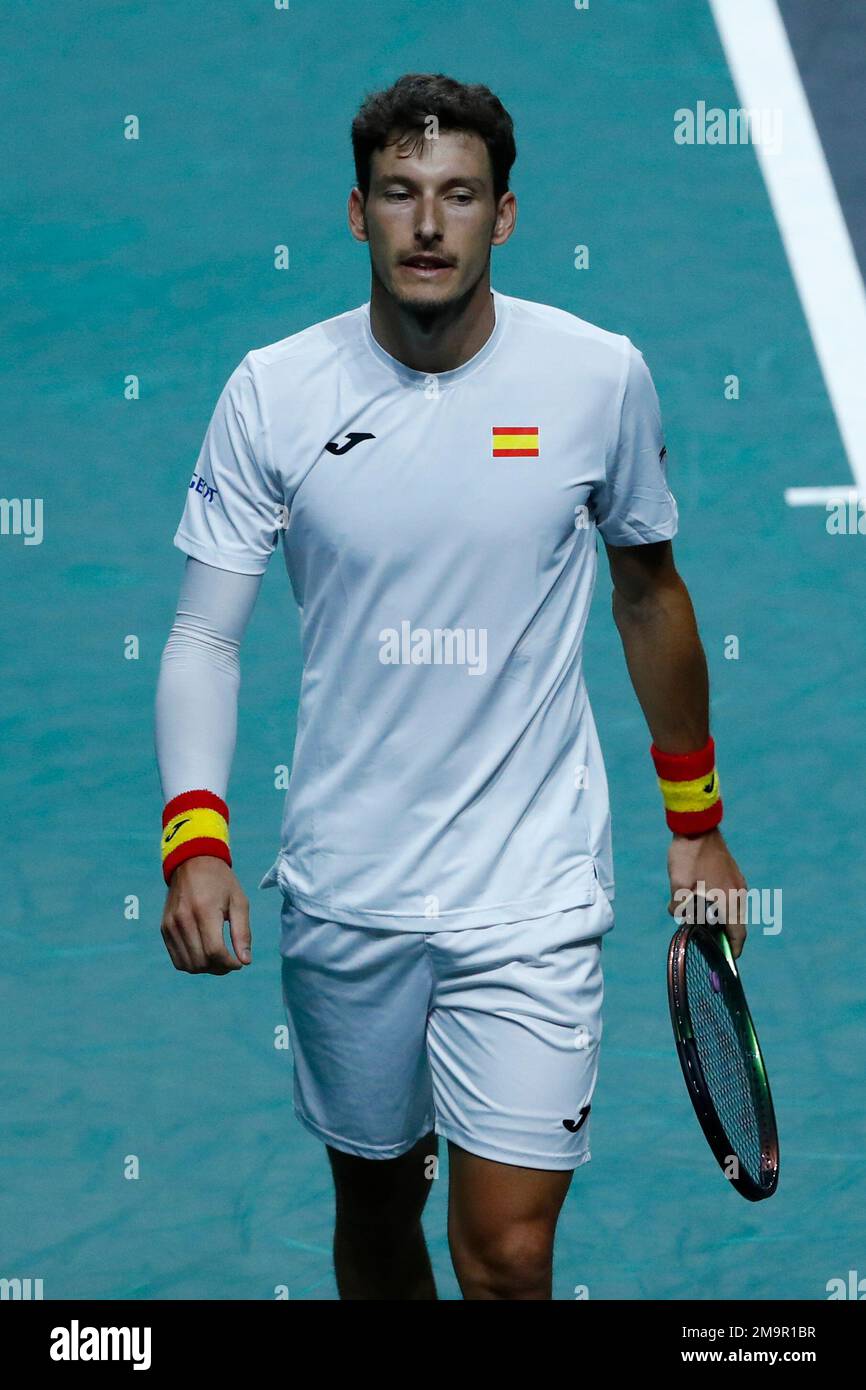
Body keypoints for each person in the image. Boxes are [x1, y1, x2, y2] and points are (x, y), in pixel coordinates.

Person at [154, 72, 747, 1301]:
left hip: (528, 892)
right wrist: (194, 837)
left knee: (506, 1252)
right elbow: (206, 635)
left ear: (505, 216)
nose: (428, 224)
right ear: (357, 214)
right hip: (349, 889)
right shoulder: (273, 392)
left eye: (458, 196)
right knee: (376, 1209)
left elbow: (648, 593)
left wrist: (695, 827)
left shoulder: (595, 378)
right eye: (400, 195)